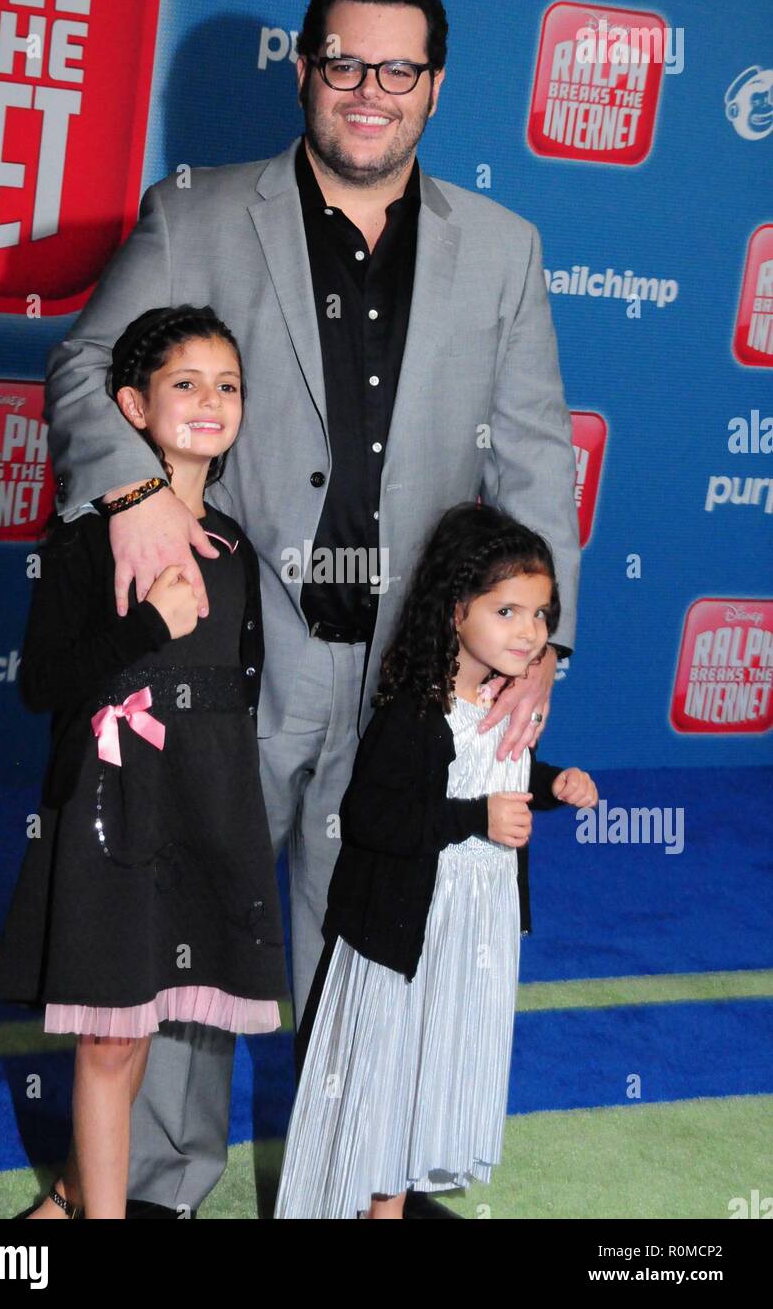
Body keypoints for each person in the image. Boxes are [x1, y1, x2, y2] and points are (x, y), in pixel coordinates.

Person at [44, 0, 581, 1217]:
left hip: (414, 670)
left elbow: (541, 458)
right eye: (345, 62)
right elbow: (81, 369)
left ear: (437, 89)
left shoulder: (503, 251)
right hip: (235, 660)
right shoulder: (198, 215)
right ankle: (159, 1186)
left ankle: (356, 1181)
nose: (370, 91)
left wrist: (543, 646)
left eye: (399, 70)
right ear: (307, 68)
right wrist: (129, 499)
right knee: (190, 929)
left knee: (384, 930)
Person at [0, 306, 288, 1219]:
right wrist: (149, 624)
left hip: (203, 807)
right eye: (184, 384)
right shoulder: (85, 536)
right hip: (112, 811)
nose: (210, 402)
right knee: (110, 1038)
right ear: (130, 406)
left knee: (151, 1014)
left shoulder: (236, 546)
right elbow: (42, 685)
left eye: (227, 386)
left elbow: (240, 684)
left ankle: (75, 1194)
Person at [275, 503, 597, 1219]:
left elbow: (500, 771)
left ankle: (391, 1204)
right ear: (456, 611)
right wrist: (474, 818)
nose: (531, 632)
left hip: (466, 938)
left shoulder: (502, 702)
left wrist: (550, 784)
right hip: (403, 941)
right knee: (382, 1090)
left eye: (542, 616)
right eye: (508, 610)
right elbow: (372, 817)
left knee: (426, 1081)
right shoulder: (415, 713)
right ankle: (374, 1206)